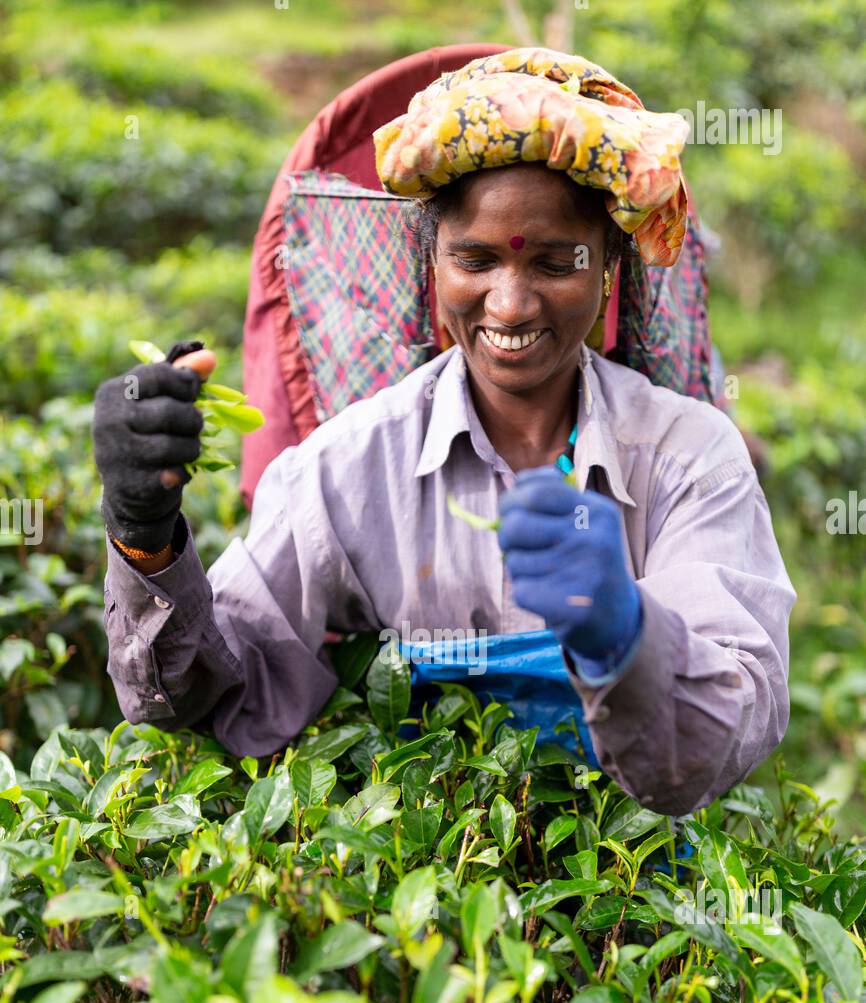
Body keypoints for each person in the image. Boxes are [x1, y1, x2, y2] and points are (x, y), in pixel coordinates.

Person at [95, 48, 794, 815]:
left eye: (557, 263)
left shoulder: (688, 458)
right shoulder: (344, 467)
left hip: (631, 902)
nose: (510, 304)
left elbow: (734, 728)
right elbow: (214, 698)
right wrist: (146, 539)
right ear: (431, 264)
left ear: (608, 269)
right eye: (476, 260)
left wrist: (627, 634)